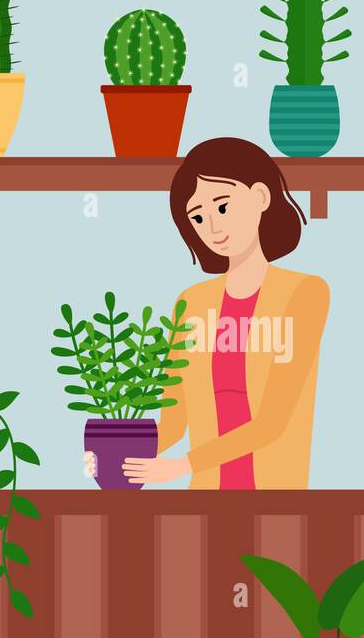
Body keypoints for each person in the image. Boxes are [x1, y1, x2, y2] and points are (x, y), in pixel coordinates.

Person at [118, 136, 329, 489]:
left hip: (275, 497)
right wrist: (117, 452)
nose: (212, 228)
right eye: (197, 218)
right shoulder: (191, 304)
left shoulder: (304, 293)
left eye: (223, 207)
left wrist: (181, 465)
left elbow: (273, 422)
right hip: (203, 498)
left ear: (261, 197)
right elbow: (173, 422)